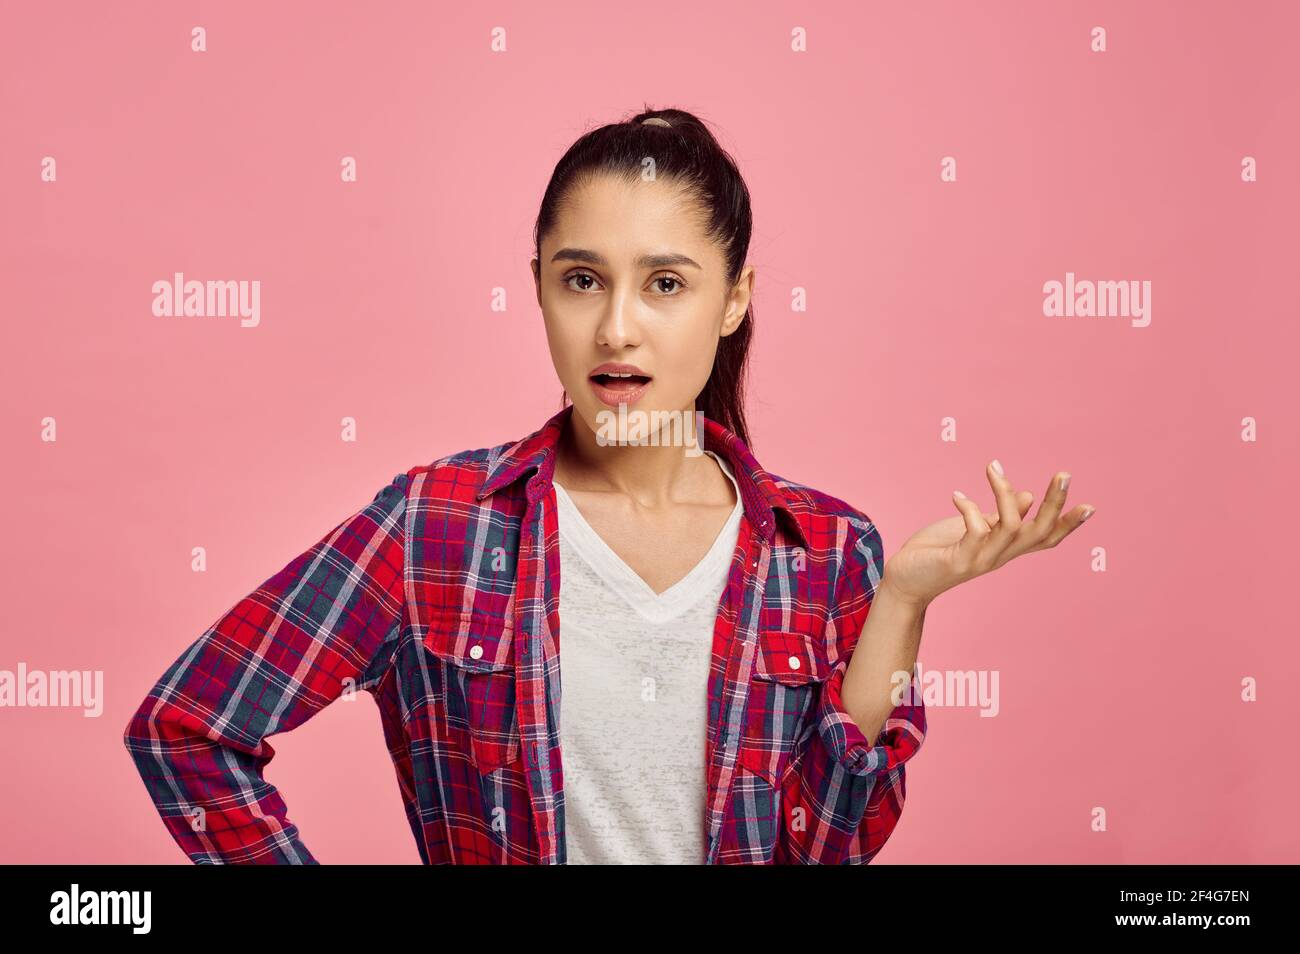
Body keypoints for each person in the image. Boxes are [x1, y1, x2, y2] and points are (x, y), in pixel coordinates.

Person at [123, 107, 1095, 864]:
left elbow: (830, 846)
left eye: (664, 283)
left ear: (734, 299)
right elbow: (189, 729)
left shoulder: (831, 553)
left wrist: (901, 602)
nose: (617, 328)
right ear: (538, 282)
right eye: (581, 279)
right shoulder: (435, 529)